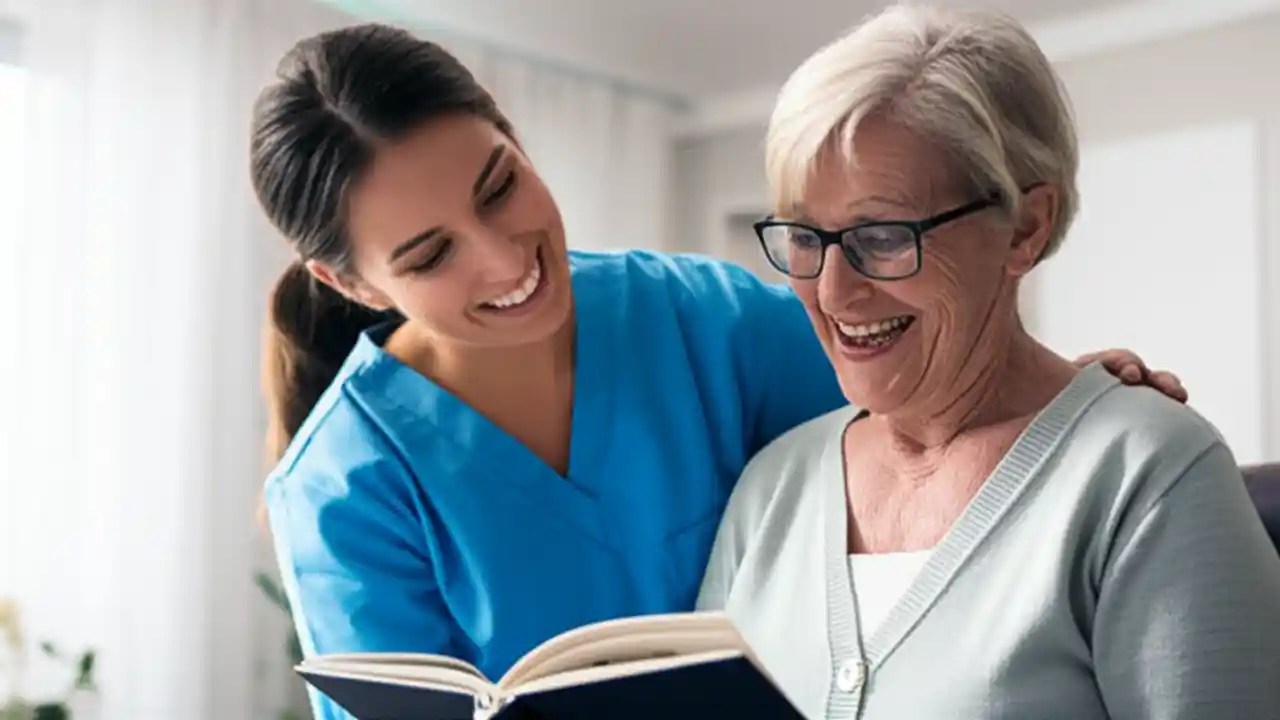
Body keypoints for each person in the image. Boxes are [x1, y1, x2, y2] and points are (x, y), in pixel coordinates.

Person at [250, 23, 1189, 720]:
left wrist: (1056, 398)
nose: (504, 260)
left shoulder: (702, 321)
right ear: (348, 280)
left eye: (500, 187)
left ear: (514, 134)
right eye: (429, 255)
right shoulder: (342, 490)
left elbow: (928, 414)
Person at [696, 6, 1280, 720]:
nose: (831, 289)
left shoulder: (1149, 475)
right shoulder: (769, 492)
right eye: (805, 237)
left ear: (1025, 228)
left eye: (881, 235)